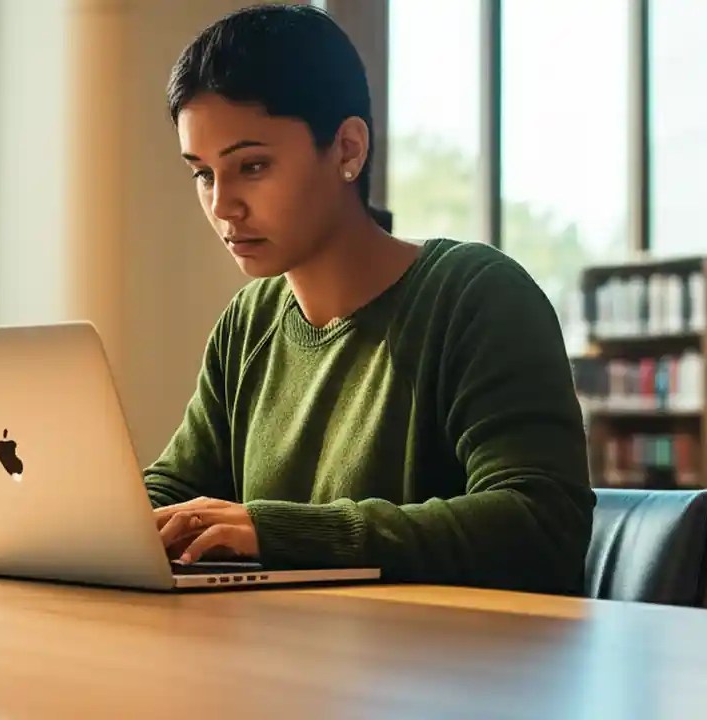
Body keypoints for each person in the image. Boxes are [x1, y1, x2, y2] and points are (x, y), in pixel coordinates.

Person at [145, 4, 593, 595]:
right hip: (286, 667)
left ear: (348, 149)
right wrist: (90, 527)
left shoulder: (475, 296)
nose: (223, 206)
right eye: (203, 174)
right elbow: (174, 492)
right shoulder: (249, 324)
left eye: (251, 166)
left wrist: (278, 531)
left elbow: (541, 526)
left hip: (449, 673)